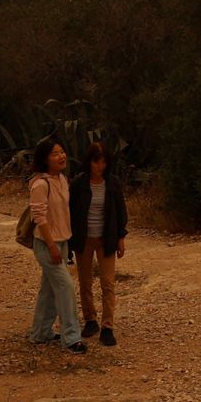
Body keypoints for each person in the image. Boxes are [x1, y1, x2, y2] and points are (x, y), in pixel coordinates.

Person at [27, 138, 85, 354]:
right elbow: (39, 218)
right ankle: (72, 338)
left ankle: (40, 333)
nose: (61, 156)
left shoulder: (62, 179)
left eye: (62, 152)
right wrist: (51, 246)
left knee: (49, 289)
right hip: (46, 244)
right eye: (55, 154)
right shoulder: (40, 184)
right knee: (65, 286)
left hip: (61, 242)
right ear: (44, 159)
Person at [68, 142, 129, 347]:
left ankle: (108, 326)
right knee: (85, 282)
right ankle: (90, 320)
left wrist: (121, 237)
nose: (100, 166)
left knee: (107, 283)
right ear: (89, 162)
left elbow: (121, 212)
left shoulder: (113, 184)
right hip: (84, 239)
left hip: (106, 238)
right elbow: (71, 211)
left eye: (104, 162)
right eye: (96, 161)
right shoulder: (79, 184)